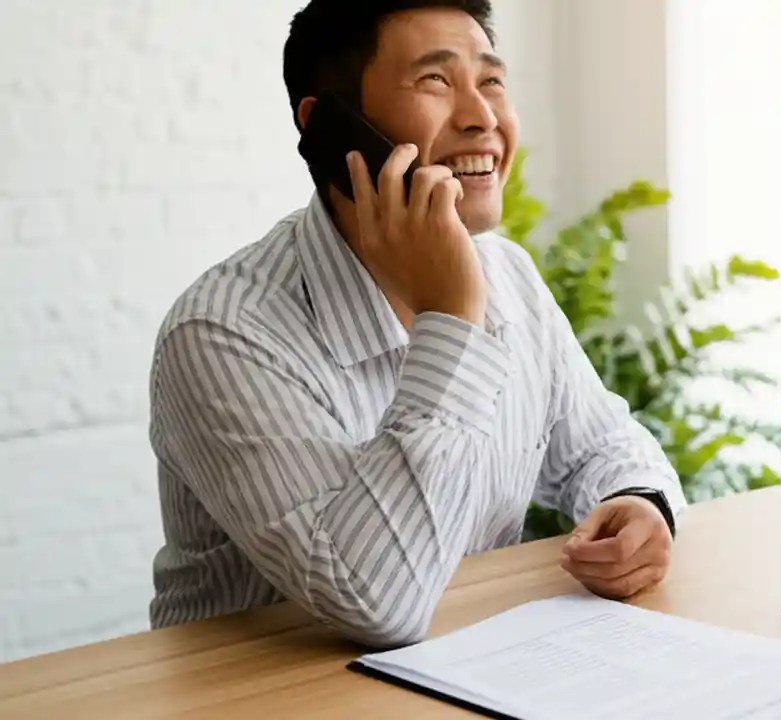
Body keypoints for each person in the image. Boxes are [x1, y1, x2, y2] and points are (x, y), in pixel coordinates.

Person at [147, 0, 683, 646]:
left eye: (490, 82)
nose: (482, 117)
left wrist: (639, 502)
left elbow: (605, 443)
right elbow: (375, 603)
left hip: (469, 668)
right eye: (435, 81)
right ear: (331, 128)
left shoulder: (506, 274)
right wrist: (451, 319)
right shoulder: (224, 333)